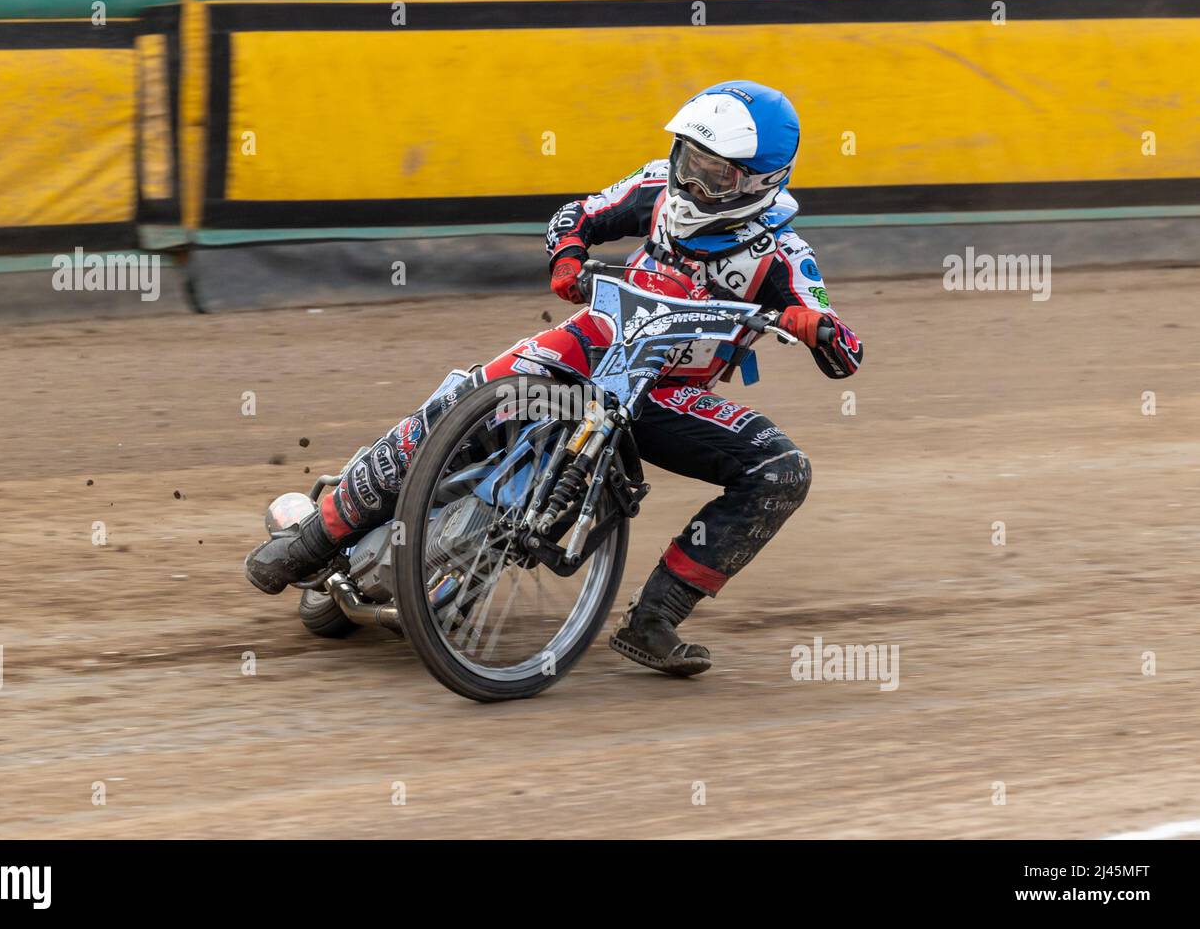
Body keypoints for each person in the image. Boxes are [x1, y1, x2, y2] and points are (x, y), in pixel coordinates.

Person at [245, 80, 863, 677]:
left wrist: (817, 327)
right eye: (688, 158)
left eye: (715, 172)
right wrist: (567, 256)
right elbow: (578, 214)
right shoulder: (656, 186)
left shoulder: (784, 254)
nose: (692, 179)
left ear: (759, 183)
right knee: (463, 402)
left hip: (666, 395)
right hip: (589, 341)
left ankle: (655, 619)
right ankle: (310, 541)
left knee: (782, 471)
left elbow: (846, 351)